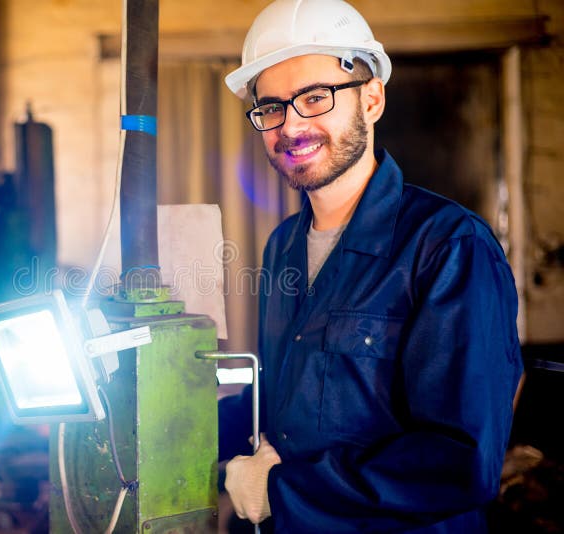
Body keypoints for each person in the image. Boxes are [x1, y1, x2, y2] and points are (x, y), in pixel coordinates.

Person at [217, 0, 524, 532]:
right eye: (271, 108)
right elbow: (282, 396)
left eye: (315, 97)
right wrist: (166, 424)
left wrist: (281, 491)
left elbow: (459, 461)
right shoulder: (283, 246)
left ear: (372, 99)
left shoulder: (449, 247)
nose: (291, 126)